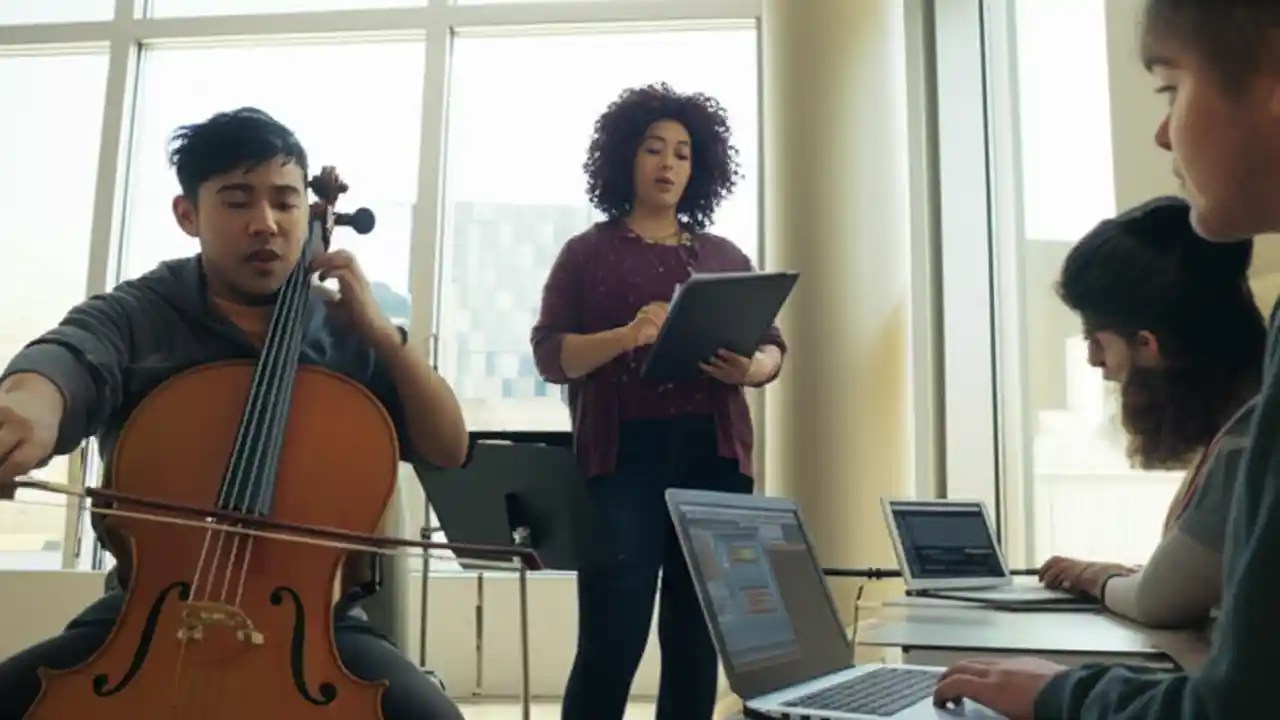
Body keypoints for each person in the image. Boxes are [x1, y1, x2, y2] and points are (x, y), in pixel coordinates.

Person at [0, 107, 468, 720]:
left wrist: (385, 337)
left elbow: (448, 446)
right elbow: (67, 358)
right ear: (188, 215)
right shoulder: (142, 312)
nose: (265, 224)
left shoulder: (348, 330)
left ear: (310, 211)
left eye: (285, 202)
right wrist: (27, 409)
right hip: (150, 612)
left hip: (316, 627)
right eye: (237, 201)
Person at [933, 0, 1280, 717]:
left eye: (1170, 88)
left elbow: (1236, 704)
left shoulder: (1246, 437)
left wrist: (1065, 694)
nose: (1162, 131)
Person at [531, 82, 786, 720]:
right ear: (626, 158)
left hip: (717, 457)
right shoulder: (585, 254)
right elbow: (550, 356)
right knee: (613, 638)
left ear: (698, 170)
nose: (669, 164)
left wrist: (752, 368)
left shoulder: (725, 255)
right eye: (654, 149)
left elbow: (774, 346)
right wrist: (627, 336)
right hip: (622, 461)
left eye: (682, 153)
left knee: (697, 640)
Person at [1035, 195, 1264, 629]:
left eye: (1097, 340)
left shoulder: (1247, 444)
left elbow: (1158, 601)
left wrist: (1096, 577)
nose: (1094, 361)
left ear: (1147, 344)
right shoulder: (1245, 428)